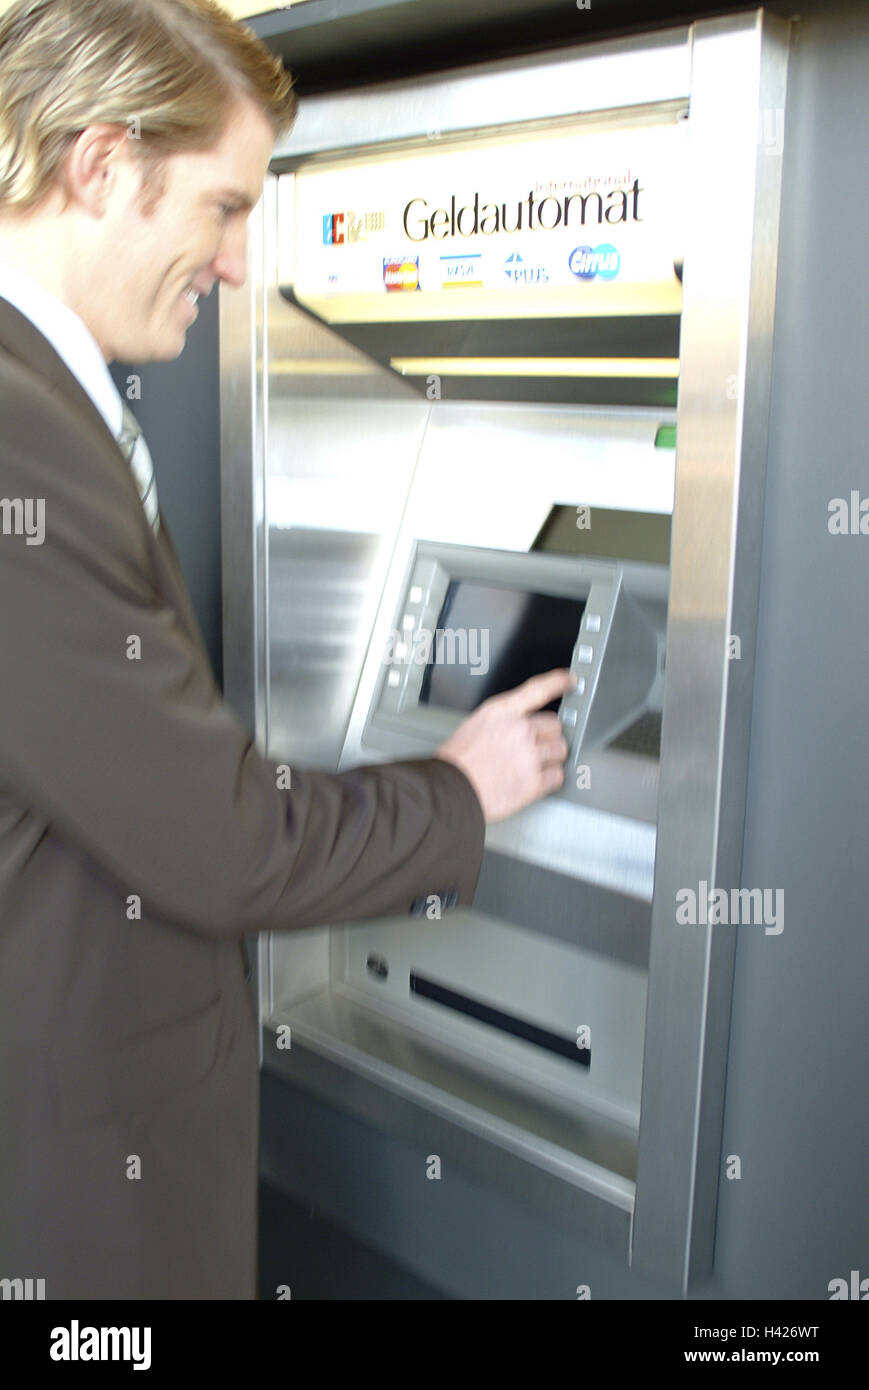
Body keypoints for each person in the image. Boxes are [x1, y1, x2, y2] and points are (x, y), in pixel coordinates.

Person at [0, 0, 573, 1299]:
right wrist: (461, 785)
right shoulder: (17, 434)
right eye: (221, 206)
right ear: (99, 166)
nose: (241, 262)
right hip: (73, 1175)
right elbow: (216, 838)